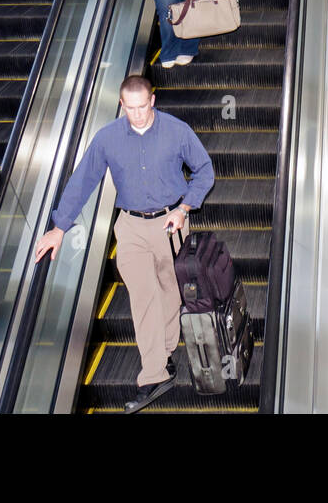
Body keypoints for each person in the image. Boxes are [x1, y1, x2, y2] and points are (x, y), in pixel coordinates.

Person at [34, 75, 215, 413]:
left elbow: (205, 171)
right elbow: (83, 180)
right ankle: (154, 374)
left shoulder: (177, 131)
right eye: (130, 108)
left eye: (142, 107)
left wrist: (184, 208)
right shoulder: (108, 138)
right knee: (144, 296)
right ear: (121, 105)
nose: (137, 114)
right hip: (130, 226)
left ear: (153, 100)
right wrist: (59, 227)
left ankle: (164, 352)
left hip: (171, 222)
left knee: (170, 292)